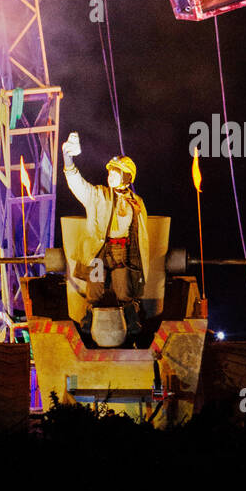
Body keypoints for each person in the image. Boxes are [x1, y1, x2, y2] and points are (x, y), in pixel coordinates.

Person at [62, 132, 149, 344]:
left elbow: (141, 236)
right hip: (100, 252)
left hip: (121, 253)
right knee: (95, 286)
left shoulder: (135, 203)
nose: (110, 176)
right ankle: (88, 318)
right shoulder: (98, 195)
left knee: (123, 288)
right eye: (110, 172)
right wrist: (68, 158)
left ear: (126, 177)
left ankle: (132, 322)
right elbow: (77, 184)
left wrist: (137, 263)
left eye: (116, 173)